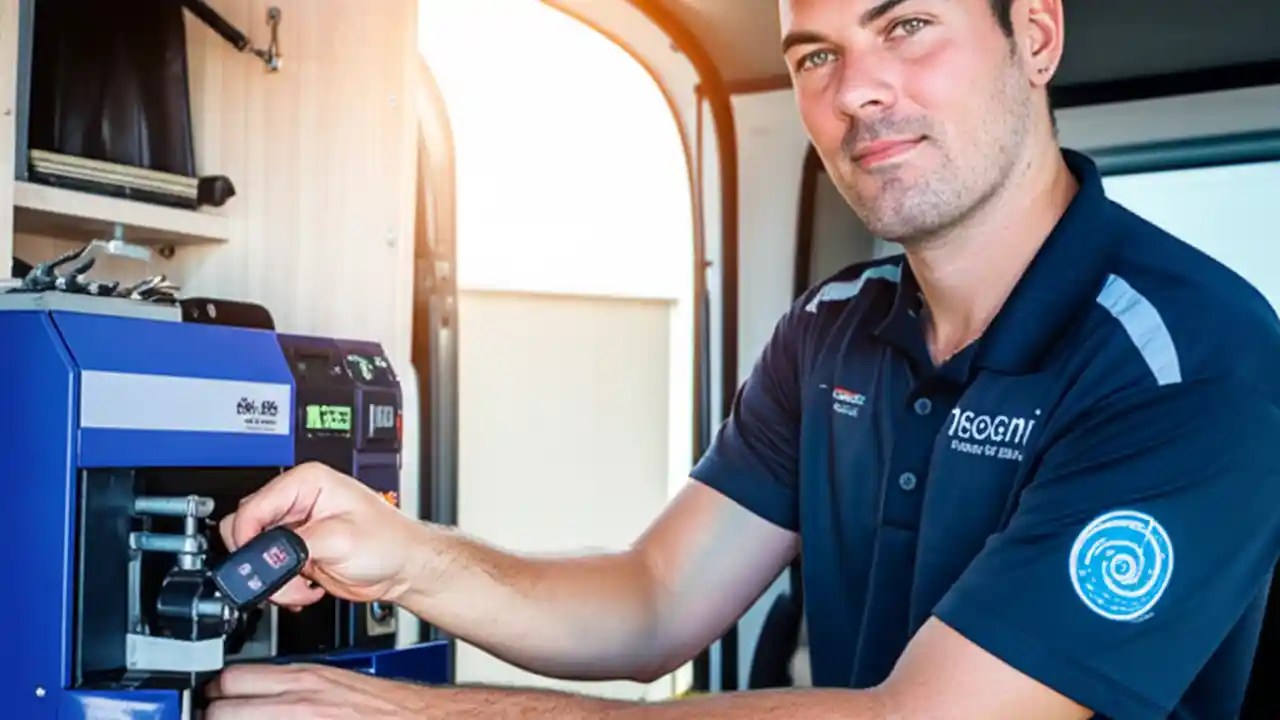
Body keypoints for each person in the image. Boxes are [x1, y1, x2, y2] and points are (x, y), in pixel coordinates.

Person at [203, 0, 1280, 717]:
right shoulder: (832, 330)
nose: (855, 90)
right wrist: (410, 558)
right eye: (817, 55)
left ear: (1034, 35)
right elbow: (651, 604)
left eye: (905, 25)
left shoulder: (1189, 363)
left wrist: (426, 713)